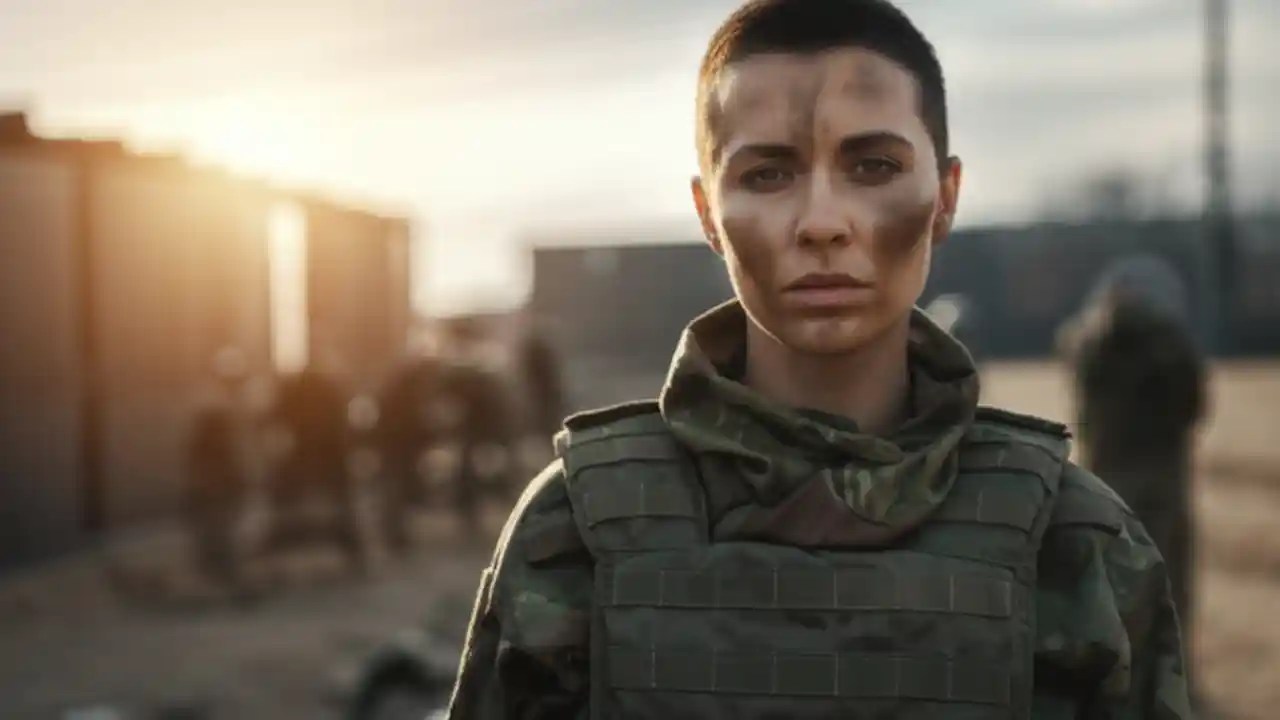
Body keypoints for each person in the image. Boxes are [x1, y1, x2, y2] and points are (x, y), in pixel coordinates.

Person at [446, 1, 1193, 717]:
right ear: (708, 215)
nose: (822, 223)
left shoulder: (1077, 543)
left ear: (945, 197)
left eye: (873, 166)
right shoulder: (572, 531)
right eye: (768, 175)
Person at [1059, 259, 1208, 689]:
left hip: (1107, 480)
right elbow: (1193, 407)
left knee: (1111, 584)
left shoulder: (1090, 343)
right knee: (1170, 582)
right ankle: (1169, 674)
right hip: (1163, 479)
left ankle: (1117, 674)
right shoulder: (1170, 346)